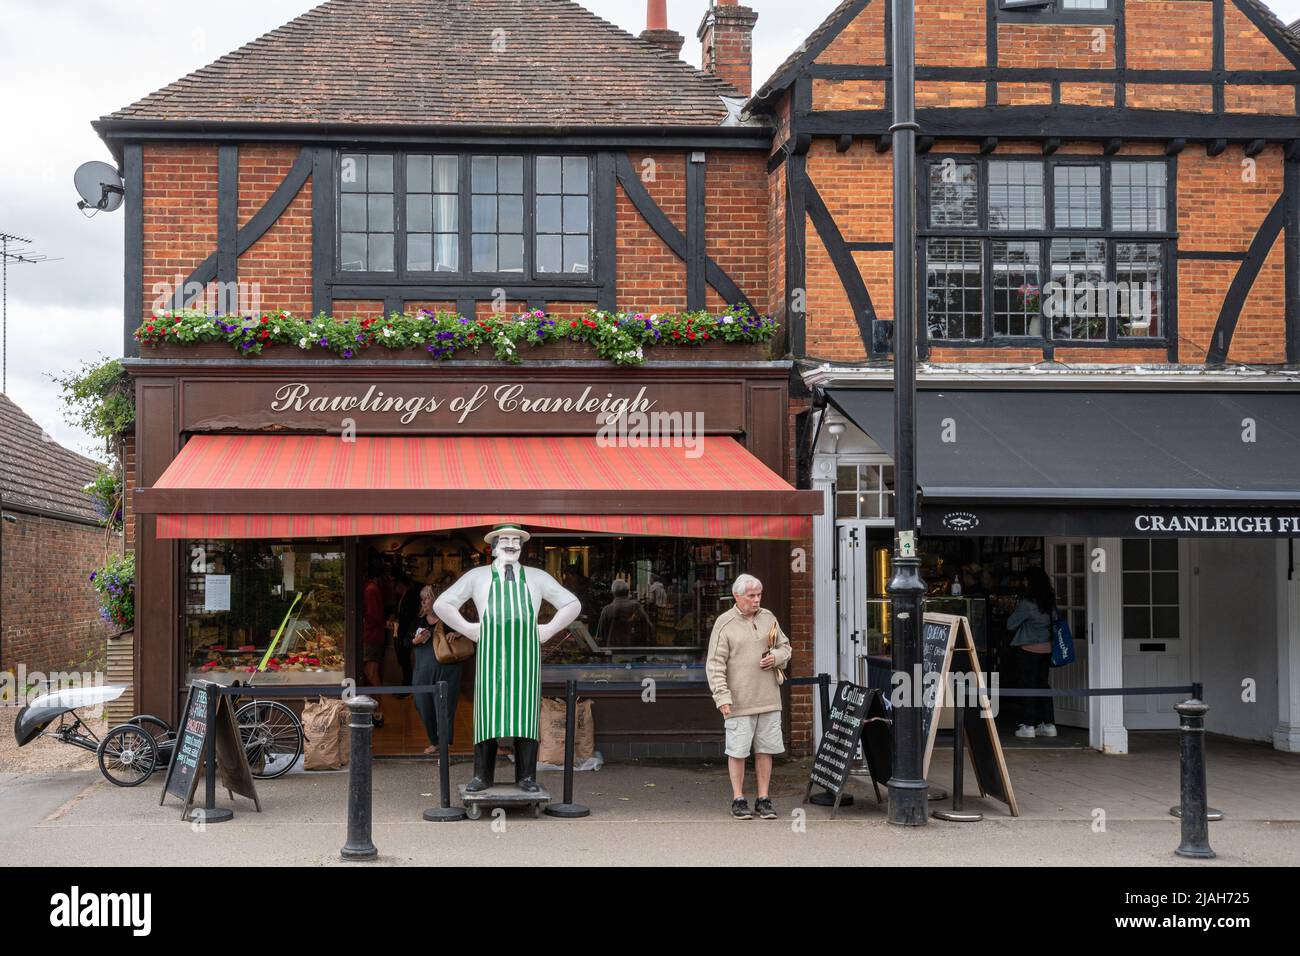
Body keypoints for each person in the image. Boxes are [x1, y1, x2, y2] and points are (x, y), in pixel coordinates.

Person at [434, 524, 581, 793]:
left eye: (516, 540)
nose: (511, 544)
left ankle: (526, 777)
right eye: (505, 539)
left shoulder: (537, 577)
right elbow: (442, 603)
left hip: (526, 659)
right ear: (493, 546)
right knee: (487, 714)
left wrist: (548, 630)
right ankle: (482, 776)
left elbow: (572, 604)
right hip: (490, 657)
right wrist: (469, 628)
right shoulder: (477, 576)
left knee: (525, 714)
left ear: (522, 546)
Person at [705, 573, 791, 820]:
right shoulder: (725, 623)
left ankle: (763, 798)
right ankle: (738, 798)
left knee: (766, 750)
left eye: (759, 595)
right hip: (738, 700)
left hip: (768, 697)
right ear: (737, 596)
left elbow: (785, 646)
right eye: (751, 595)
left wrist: (778, 657)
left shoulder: (768, 617)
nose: (756, 600)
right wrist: (722, 697)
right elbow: (715, 664)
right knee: (738, 751)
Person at [408, 583, 465, 756]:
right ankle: (434, 740)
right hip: (423, 670)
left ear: (437, 599)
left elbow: (471, 631)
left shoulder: (450, 618)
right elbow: (405, 641)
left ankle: (444, 746)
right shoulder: (418, 621)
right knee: (422, 703)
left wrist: (458, 633)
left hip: (448, 670)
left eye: (428, 597)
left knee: (445, 708)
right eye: (422, 598)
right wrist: (415, 641)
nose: (424, 602)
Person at [1005, 567, 1057, 739]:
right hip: (1047, 649)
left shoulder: (1027, 605)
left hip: (1028, 649)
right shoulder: (1049, 603)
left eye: (1026, 580)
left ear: (1031, 583)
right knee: (1043, 685)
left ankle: (1029, 725)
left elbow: (1010, 624)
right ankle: (1048, 724)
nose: (1024, 583)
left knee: (1028, 685)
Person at [594, 578, 655, 647]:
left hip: (613, 652)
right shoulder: (637, 607)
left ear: (613, 593)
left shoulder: (607, 610)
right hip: (635, 652)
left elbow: (600, 637)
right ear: (628, 592)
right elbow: (650, 629)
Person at [362, 564, 386, 727]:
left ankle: (378, 712)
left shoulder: (369, 590)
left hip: (371, 638)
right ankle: (373, 710)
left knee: (371, 673)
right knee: (370, 674)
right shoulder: (372, 588)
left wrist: (362, 622)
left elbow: (373, 617)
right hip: (373, 636)